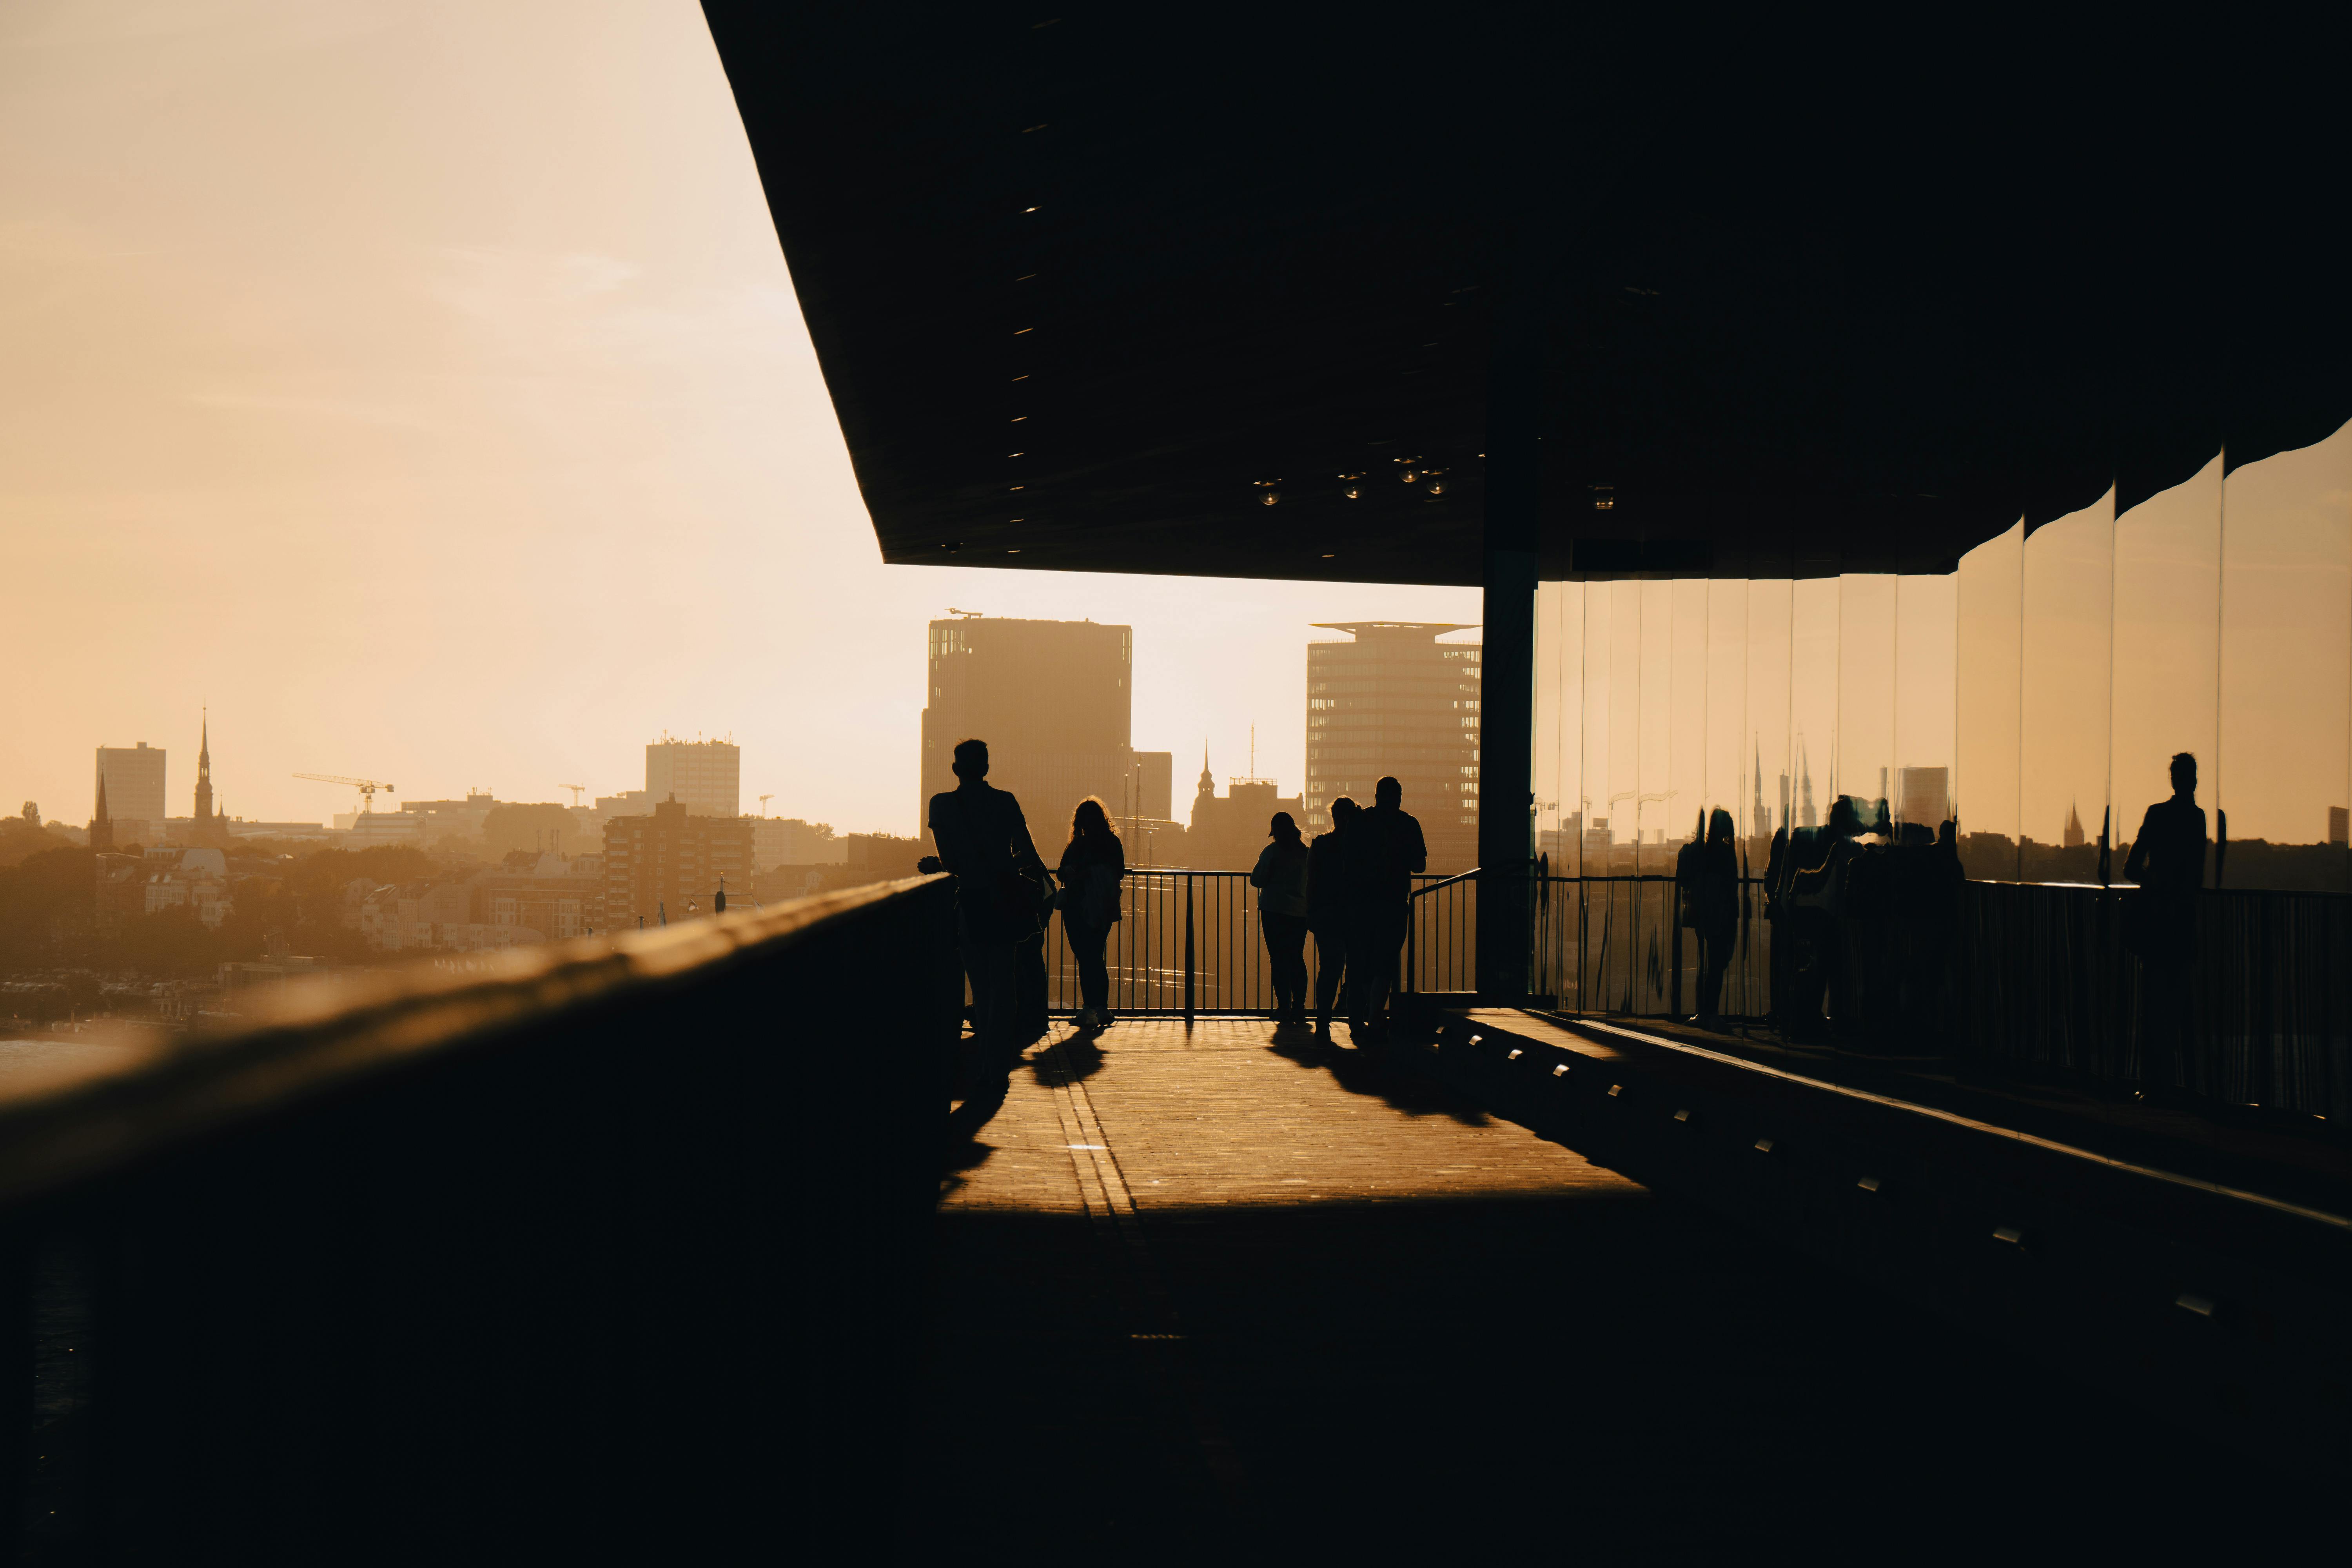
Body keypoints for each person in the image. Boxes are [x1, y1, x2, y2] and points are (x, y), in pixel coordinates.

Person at [924, 738, 1050, 1081]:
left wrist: (944, 865)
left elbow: (951, 862)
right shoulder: (1005, 802)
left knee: (980, 985)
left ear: (955, 769)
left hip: (973, 899)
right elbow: (1026, 853)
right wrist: (1001, 864)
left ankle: (984, 1062)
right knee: (1003, 982)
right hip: (1006, 898)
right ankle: (998, 1063)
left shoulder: (942, 806)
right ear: (987, 768)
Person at [2123, 751, 2207, 1096]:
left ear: (2173, 779)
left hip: (2156, 923)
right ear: (2195, 780)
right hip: (2182, 925)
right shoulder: (2198, 818)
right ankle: (2185, 1086)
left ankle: (2153, 1084)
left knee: (2153, 1008)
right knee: (2180, 1008)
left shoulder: (2156, 815)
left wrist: (2153, 883)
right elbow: (2196, 873)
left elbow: (2130, 867)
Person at [1347, 776, 1427, 1036]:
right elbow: (1419, 866)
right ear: (1400, 797)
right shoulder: (1409, 824)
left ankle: (1359, 1017)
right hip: (1393, 903)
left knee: (1361, 961)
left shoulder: (1361, 821)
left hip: (1361, 902)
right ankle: (1375, 1017)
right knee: (1386, 961)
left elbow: (1347, 859)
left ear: (1376, 795)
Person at [1055, 797, 1126, 1029]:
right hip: (1104, 906)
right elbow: (1121, 872)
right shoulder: (1113, 843)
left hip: (1077, 906)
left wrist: (1077, 872)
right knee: (1096, 955)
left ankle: (1089, 1009)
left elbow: (1061, 874)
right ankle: (1101, 1008)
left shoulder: (1078, 845)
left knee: (1085, 957)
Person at [1678, 808, 1739, 1027]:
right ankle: (1710, 1011)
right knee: (1716, 966)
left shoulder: (1703, 852)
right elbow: (1731, 889)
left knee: (1708, 964)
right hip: (1721, 916)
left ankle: (1704, 1011)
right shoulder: (1725, 853)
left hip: (1706, 915)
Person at [1306, 797, 1360, 1039]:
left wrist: (1312, 913)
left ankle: (1323, 1023)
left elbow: (1312, 883)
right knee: (1357, 969)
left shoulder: (1320, 845)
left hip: (1327, 914)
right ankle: (1356, 1023)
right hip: (1355, 913)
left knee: (1329, 970)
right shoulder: (1361, 847)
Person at [1251, 811, 1310, 1023]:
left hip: (1273, 911)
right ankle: (1300, 1006)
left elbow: (1257, 880)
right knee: (1296, 957)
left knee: (1278, 959)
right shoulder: (1306, 854)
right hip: (1299, 912)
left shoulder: (1271, 853)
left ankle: (1283, 1006)